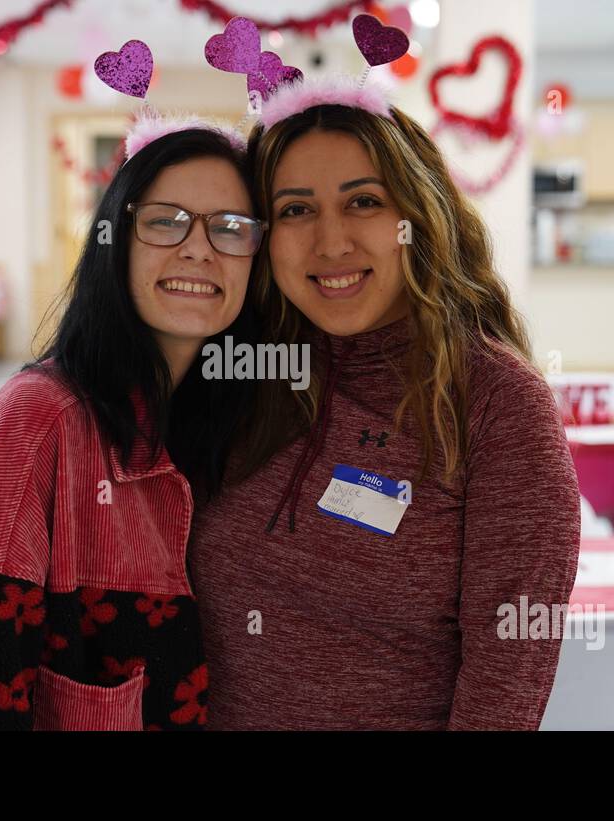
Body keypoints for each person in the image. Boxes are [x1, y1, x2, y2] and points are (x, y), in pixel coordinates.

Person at [187, 79, 581, 729]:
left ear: (417, 216)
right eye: (295, 210)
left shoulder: (497, 406)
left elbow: (505, 683)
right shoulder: (236, 372)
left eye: (363, 202)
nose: (331, 242)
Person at [0, 127, 261, 730]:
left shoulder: (231, 427)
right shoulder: (38, 420)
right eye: (165, 221)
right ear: (113, 240)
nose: (199, 249)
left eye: (231, 228)